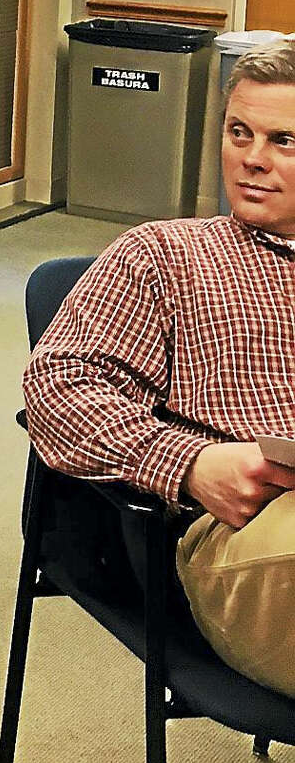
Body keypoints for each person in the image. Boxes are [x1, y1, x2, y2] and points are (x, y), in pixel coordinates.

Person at [23, 37, 295, 694]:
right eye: (239, 133)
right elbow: (55, 391)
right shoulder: (167, 257)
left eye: (282, 141)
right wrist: (190, 464)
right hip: (242, 531)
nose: (252, 160)